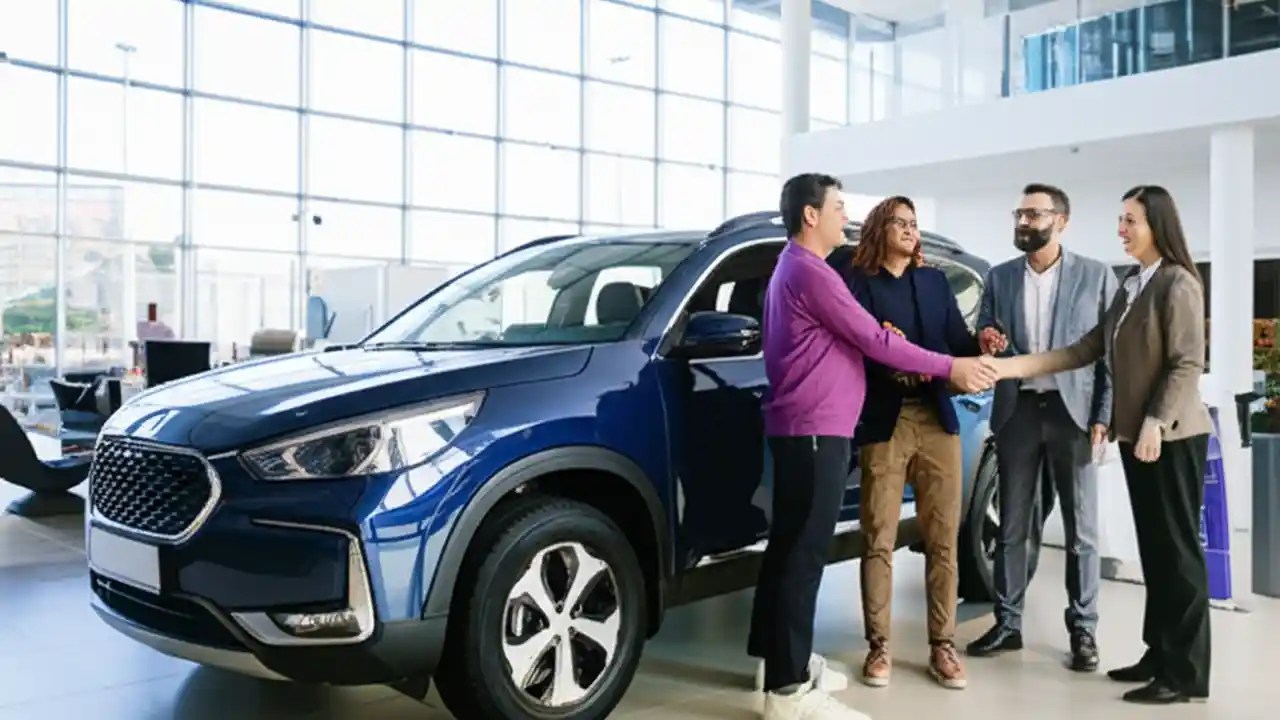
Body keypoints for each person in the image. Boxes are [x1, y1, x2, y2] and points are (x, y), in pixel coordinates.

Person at [748, 173, 997, 720]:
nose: (846, 217)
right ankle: (788, 695)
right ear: (811, 215)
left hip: (805, 426)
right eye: (838, 207)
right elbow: (875, 341)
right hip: (817, 427)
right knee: (804, 556)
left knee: (788, 549)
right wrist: (950, 367)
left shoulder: (792, 267)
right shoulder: (813, 273)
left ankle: (776, 663)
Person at [985, 185, 1212, 705]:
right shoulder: (1134, 284)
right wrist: (1011, 367)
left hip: (1171, 435)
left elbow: (1186, 363)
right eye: (1120, 219)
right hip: (1142, 437)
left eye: (1131, 220)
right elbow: (1085, 349)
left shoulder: (1176, 283)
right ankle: (1158, 655)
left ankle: (1185, 675)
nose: (1122, 229)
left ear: (1157, 224)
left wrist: (1153, 421)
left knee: (1178, 556)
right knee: (1156, 553)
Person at [827, 196, 980, 691]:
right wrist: (880, 345)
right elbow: (847, 345)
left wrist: (986, 343)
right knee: (879, 538)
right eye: (901, 223)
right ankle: (880, 648)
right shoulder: (857, 282)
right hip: (884, 419)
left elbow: (959, 343)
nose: (912, 231)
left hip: (936, 417)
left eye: (915, 224)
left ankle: (943, 647)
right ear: (879, 229)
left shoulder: (934, 282)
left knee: (942, 538)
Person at [967, 183, 1119, 673]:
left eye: (1034, 214)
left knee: (1082, 528)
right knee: (1013, 524)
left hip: (1072, 413)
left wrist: (1104, 414)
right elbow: (987, 331)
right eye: (1020, 213)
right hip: (1018, 412)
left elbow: (1110, 354)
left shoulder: (1096, 277)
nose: (1024, 222)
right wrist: (987, 338)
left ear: (1062, 220)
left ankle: (1083, 629)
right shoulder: (1000, 276)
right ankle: (1008, 623)